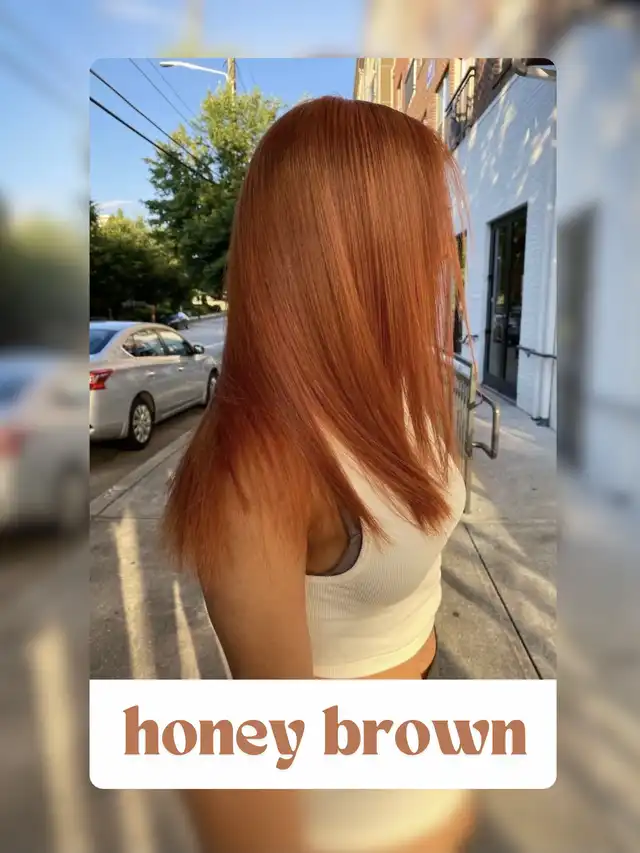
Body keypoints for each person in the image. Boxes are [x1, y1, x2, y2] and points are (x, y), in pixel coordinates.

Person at [165, 96, 473, 853]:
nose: (445, 256)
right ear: (358, 249)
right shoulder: (257, 470)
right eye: (427, 229)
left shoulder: (395, 385)